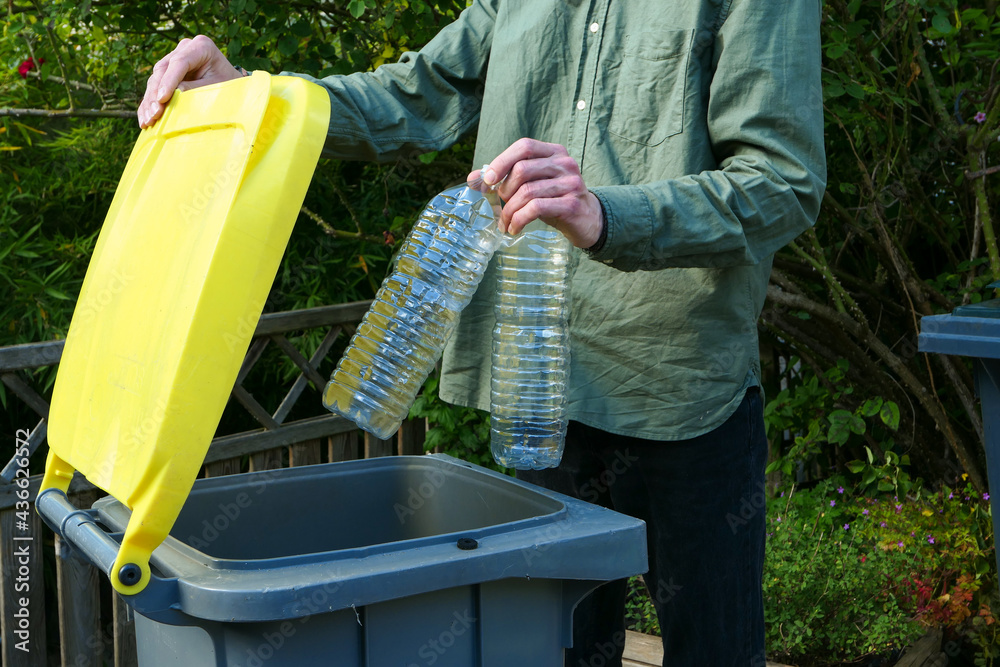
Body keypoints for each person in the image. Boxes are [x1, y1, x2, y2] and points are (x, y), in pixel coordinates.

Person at [138, 1, 825, 664]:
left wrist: (607, 215)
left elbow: (782, 182)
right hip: (539, 392)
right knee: (552, 651)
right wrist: (252, 95)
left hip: (680, 389)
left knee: (716, 651)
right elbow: (418, 95)